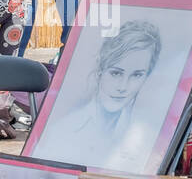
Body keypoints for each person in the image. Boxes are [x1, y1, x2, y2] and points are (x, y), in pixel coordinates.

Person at [56, 20, 160, 153]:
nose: (123, 87)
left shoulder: (149, 137)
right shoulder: (63, 129)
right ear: (100, 70)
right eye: (116, 73)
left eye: (136, 75)